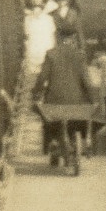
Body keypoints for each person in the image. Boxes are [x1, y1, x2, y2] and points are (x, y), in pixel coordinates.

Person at [34, 19, 95, 163]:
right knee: (77, 120)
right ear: (73, 38)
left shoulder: (51, 54)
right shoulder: (80, 55)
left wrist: (36, 92)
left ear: (58, 37)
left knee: (47, 119)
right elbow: (87, 81)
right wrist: (92, 100)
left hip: (54, 101)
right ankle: (75, 141)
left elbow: (42, 77)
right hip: (76, 103)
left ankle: (53, 143)